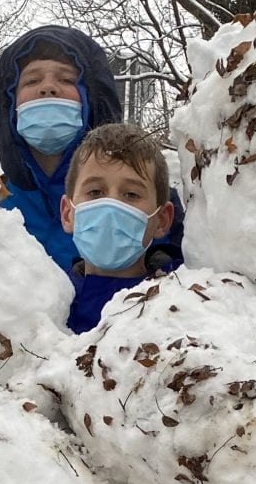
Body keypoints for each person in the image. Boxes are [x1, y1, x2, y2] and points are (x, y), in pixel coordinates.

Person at [0, 26, 183, 275]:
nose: (48, 88)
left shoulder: (151, 198)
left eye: (66, 79)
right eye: (32, 80)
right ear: (10, 102)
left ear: (93, 97)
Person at [60, 122, 182, 334]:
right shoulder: (49, 303)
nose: (111, 206)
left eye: (131, 194)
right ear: (67, 214)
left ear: (162, 220)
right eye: (95, 192)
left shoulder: (183, 300)